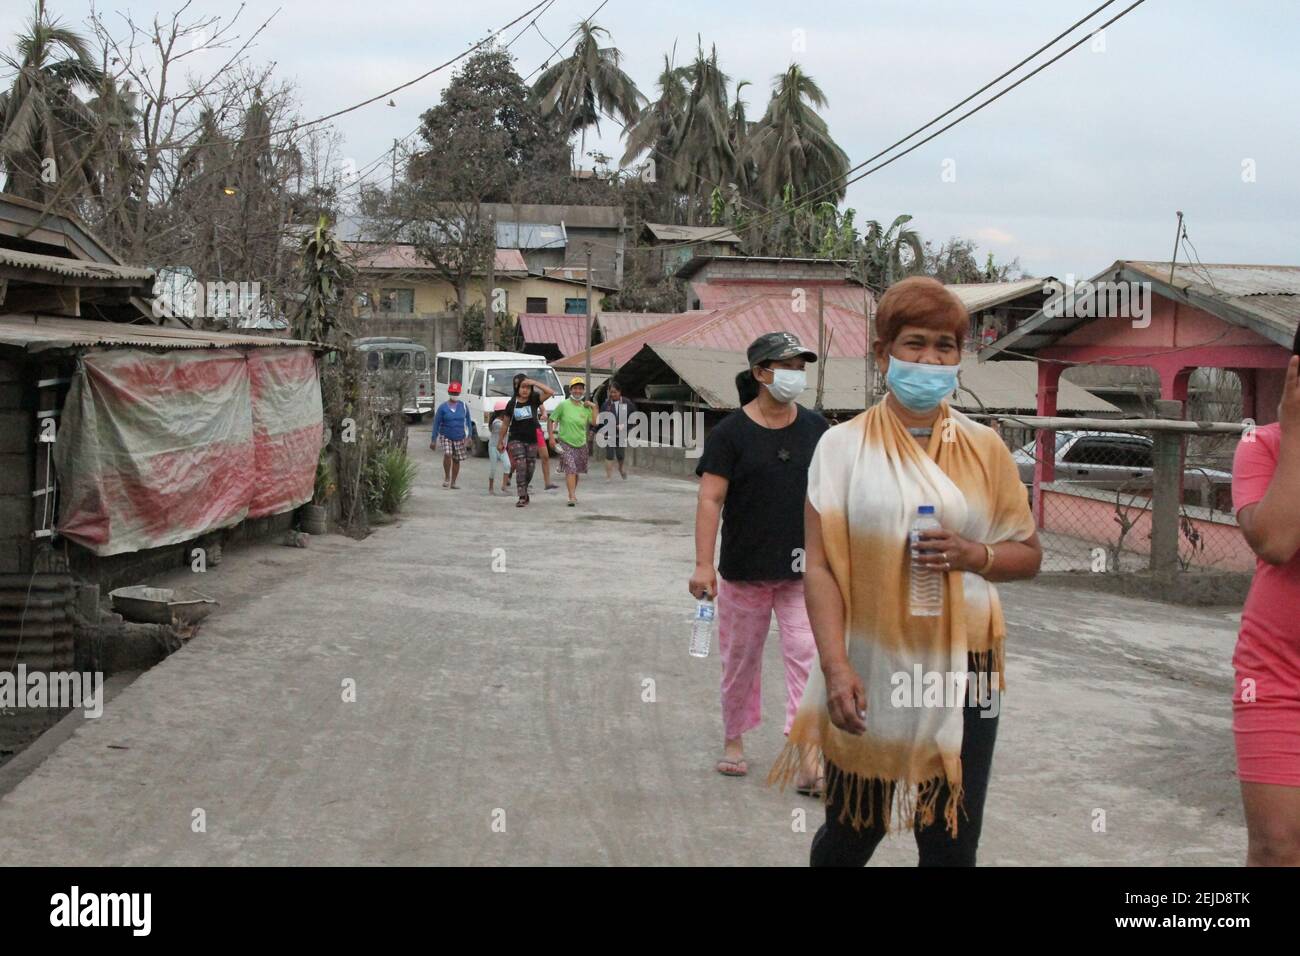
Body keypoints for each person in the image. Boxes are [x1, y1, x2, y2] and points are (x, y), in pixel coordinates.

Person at [772, 276, 1042, 867]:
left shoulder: (986, 447)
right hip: (872, 660)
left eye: (945, 347)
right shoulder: (840, 448)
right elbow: (817, 567)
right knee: (851, 830)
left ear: (959, 359)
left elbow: (1028, 552)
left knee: (950, 839)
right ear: (882, 352)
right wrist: (836, 666)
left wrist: (976, 555)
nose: (930, 358)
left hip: (967, 668)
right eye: (914, 343)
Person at [690, 332, 828, 794]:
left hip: (803, 572)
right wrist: (703, 565)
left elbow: (830, 498)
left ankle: (808, 754)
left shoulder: (817, 429)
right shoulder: (729, 434)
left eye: (801, 366)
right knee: (740, 659)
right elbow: (710, 499)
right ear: (761, 373)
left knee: (809, 657)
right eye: (787, 365)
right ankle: (734, 739)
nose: (796, 375)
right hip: (744, 569)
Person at [1231, 325, 1300, 866]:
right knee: (1276, 847)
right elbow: (1276, 541)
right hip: (1277, 674)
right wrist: (1297, 435)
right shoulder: (1263, 445)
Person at [499, 374, 554, 507]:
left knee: (530, 468)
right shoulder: (512, 404)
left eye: (528, 388)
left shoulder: (534, 399)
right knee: (521, 466)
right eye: (522, 387)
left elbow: (550, 392)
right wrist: (500, 440)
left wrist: (535, 382)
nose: (525, 390)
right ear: (517, 388)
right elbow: (505, 423)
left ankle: (524, 490)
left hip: (531, 439)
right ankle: (522, 496)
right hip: (515, 439)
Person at [549, 377, 598, 507]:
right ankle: (572, 496)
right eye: (575, 388)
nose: (578, 391)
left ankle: (573, 492)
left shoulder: (585, 407)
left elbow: (594, 422)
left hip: (581, 443)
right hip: (566, 442)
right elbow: (551, 420)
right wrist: (552, 437)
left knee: (576, 471)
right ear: (570, 390)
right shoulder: (563, 405)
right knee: (570, 468)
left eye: (580, 389)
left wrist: (594, 407)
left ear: (583, 391)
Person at [432, 381, 471, 489]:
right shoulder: (442, 408)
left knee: (457, 459)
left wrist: (469, 436)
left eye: (456, 393)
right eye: (452, 393)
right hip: (446, 435)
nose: (454, 395)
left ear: (459, 393)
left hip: (459, 436)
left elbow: (468, 422)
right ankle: (447, 477)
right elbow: (436, 423)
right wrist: (433, 439)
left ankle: (453, 482)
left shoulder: (463, 406)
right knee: (448, 454)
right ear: (449, 392)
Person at [599, 380, 636, 480]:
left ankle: (621, 469)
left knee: (620, 455)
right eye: (611, 392)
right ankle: (608, 476)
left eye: (615, 392)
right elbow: (601, 419)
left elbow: (634, 417)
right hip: (609, 433)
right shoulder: (606, 405)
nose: (613, 394)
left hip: (621, 434)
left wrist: (625, 426)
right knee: (609, 454)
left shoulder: (627, 403)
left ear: (620, 392)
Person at [487, 408, 512, 496]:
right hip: (494, 446)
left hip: (502, 447)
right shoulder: (497, 423)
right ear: (502, 413)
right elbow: (505, 428)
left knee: (507, 464)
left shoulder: (502, 422)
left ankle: (504, 486)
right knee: (493, 468)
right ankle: (491, 488)